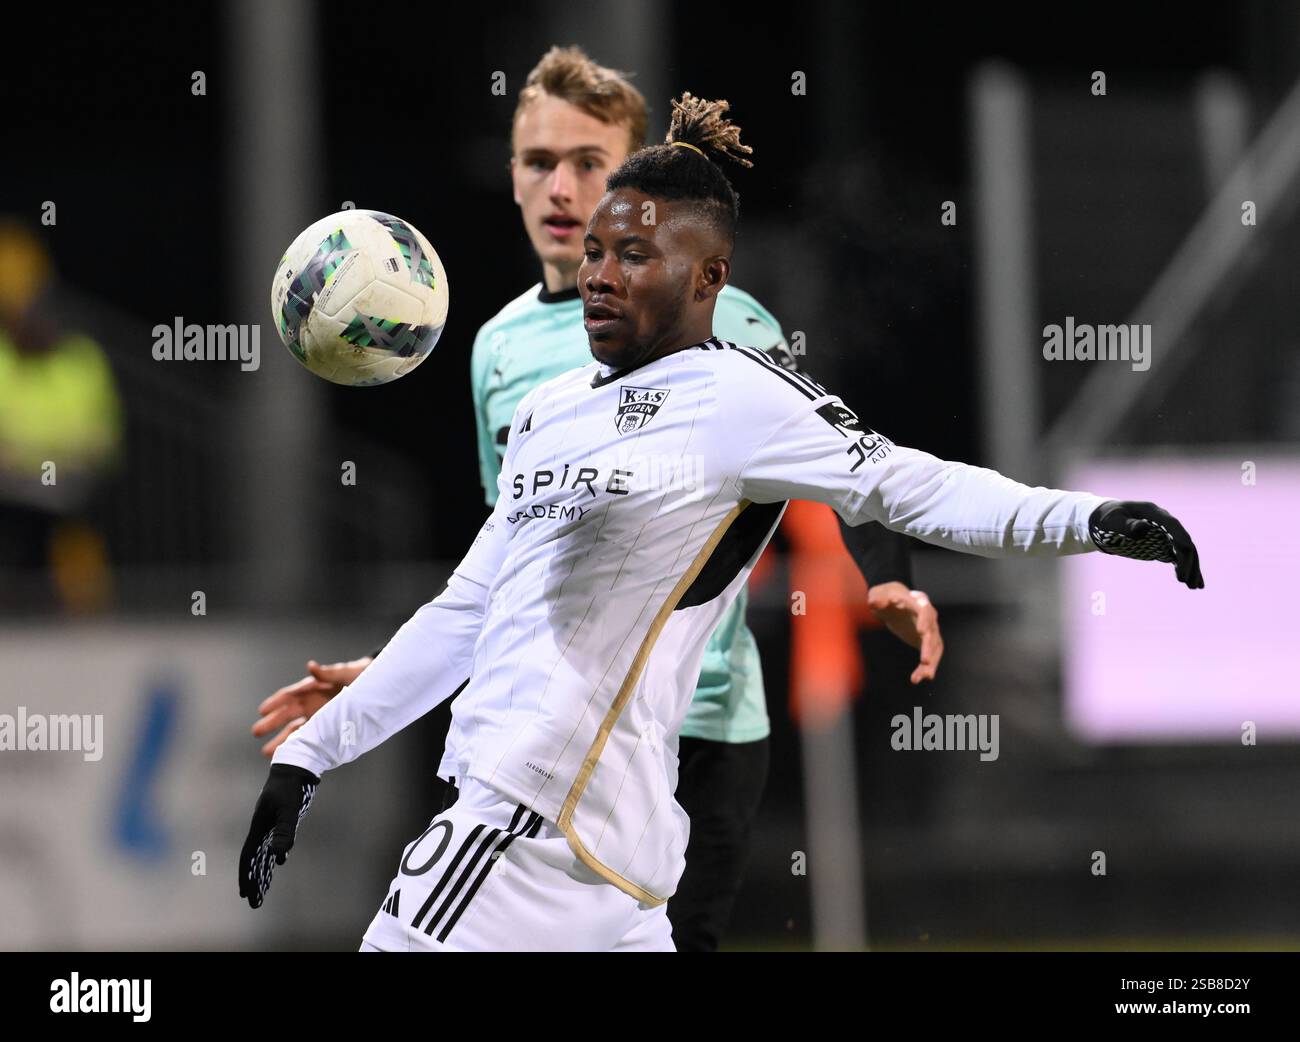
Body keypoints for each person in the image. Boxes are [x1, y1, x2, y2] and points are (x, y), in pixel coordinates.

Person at [239, 93, 1203, 951]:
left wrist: (1091, 519)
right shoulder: (548, 411)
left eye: (636, 256)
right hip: (594, 863)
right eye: (597, 252)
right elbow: (467, 611)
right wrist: (314, 754)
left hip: (535, 841)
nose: (601, 276)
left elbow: (910, 483)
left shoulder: (743, 400)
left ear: (709, 282)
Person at [250, 47, 941, 951]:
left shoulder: (718, 319)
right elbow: (516, 571)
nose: (563, 186)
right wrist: (394, 675)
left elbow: (843, 461)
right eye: (540, 162)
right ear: (512, 178)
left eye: (591, 164)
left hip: (695, 728)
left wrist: (888, 575)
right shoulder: (496, 350)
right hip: (551, 738)